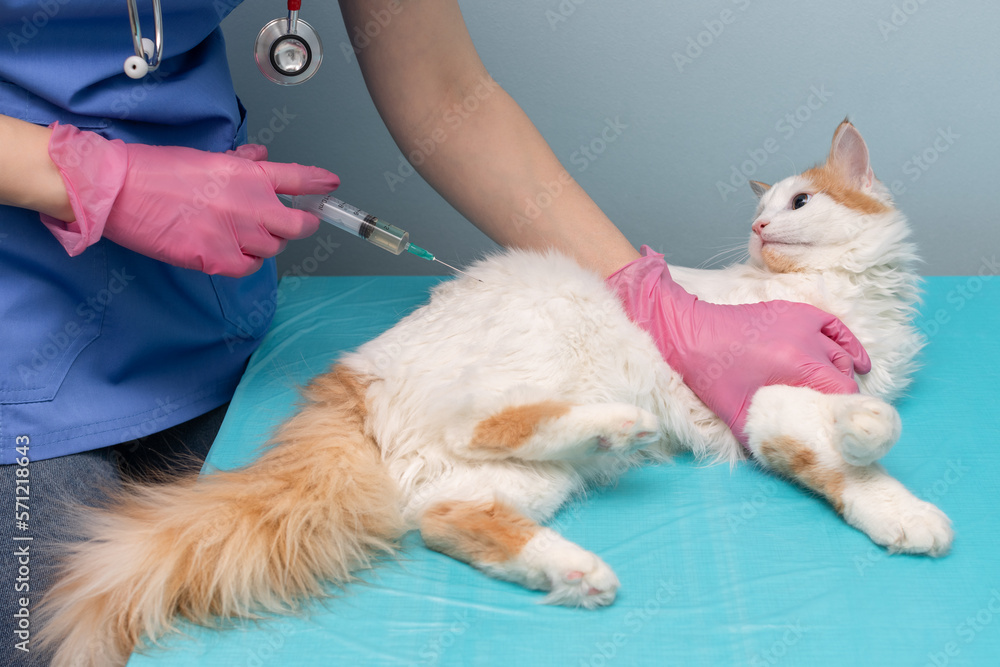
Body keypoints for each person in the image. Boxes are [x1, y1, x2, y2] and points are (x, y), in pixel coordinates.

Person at [0, 1, 868, 663]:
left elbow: (445, 91)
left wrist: (660, 302)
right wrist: (85, 177)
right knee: (46, 623)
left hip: (211, 322)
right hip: (19, 358)